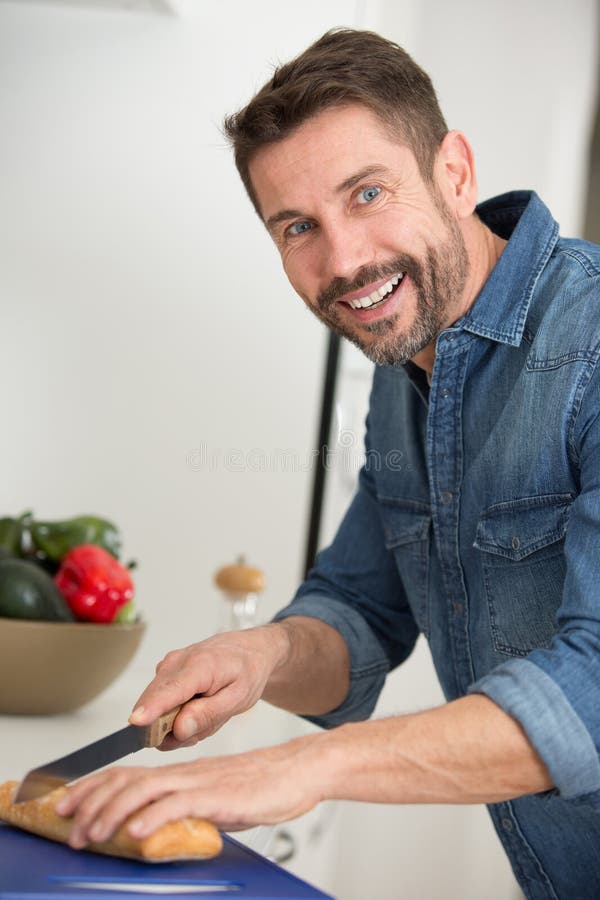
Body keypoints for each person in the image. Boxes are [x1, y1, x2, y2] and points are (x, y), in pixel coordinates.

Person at [57, 28, 600, 899]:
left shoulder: (593, 341)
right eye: (298, 226)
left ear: (454, 172)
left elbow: (593, 696)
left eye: (369, 192)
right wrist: (262, 655)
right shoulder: (408, 371)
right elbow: (359, 614)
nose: (343, 261)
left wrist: (300, 768)